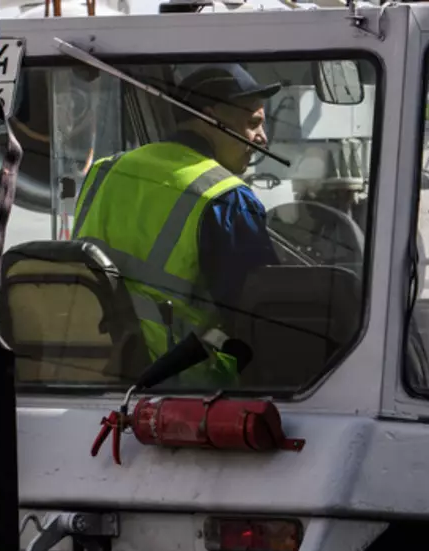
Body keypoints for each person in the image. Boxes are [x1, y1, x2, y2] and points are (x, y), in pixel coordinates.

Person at [72, 63, 281, 384]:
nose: (262, 139)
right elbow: (263, 319)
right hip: (181, 382)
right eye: (253, 123)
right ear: (213, 119)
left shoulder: (104, 171)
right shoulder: (226, 197)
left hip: (89, 368)